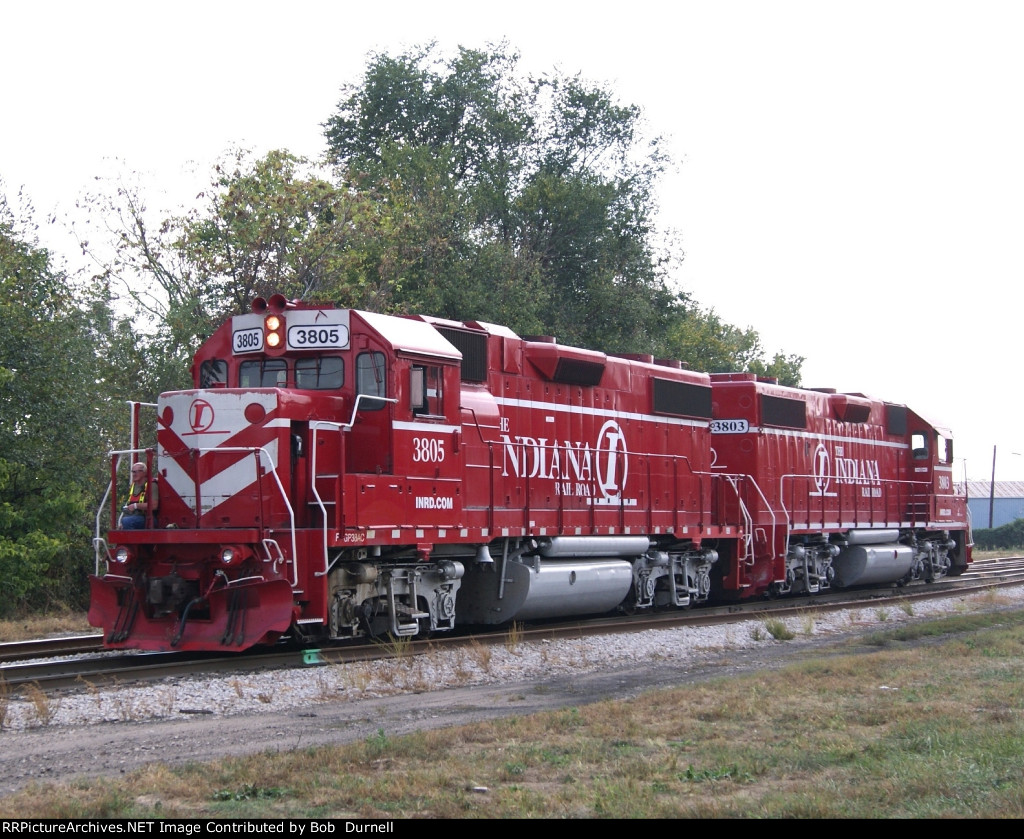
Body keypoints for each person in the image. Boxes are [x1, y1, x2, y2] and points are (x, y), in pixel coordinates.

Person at [121, 462, 158, 529]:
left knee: (127, 521)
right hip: (135, 517)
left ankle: (133, 539)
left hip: (149, 518)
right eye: (133, 472)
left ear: (144, 472)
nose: (134, 474)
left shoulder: (152, 485)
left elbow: (154, 505)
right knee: (124, 522)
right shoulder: (133, 486)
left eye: (137, 472)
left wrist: (136, 506)